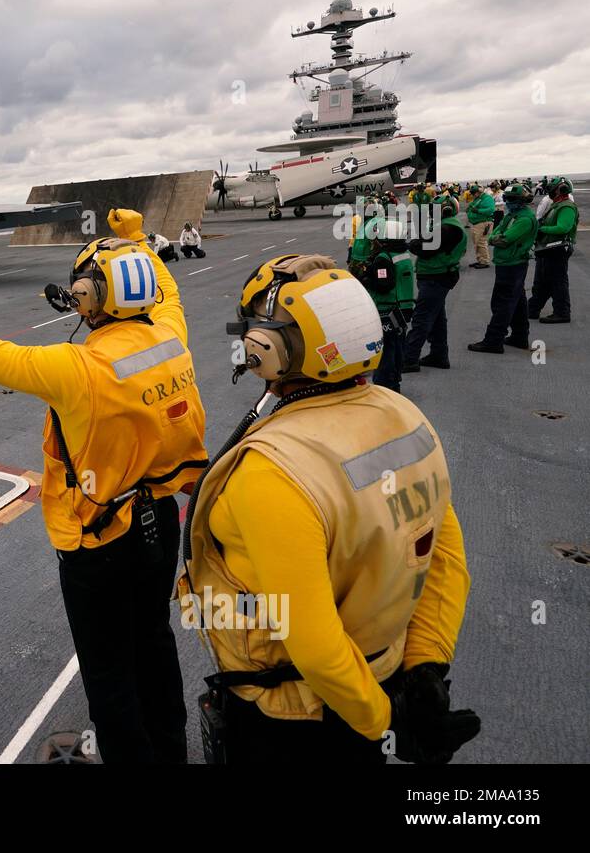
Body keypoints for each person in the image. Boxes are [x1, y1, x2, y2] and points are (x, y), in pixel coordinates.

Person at [0, 209, 209, 763]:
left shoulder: (74, 368)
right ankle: (170, 753)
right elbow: (168, 287)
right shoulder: (170, 334)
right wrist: (134, 240)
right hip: (162, 522)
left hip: (98, 541)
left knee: (107, 668)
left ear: (87, 296)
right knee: (154, 643)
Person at [182, 253, 479, 764]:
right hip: (380, 674)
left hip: (291, 714)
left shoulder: (272, 470)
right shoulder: (407, 417)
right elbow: (443, 559)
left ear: (268, 349)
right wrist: (425, 670)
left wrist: (382, 723)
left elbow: (314, 642)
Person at [349, 216, 415, 393]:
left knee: (385, 350)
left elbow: (383, 284)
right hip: (403, 307)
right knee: (397, 345)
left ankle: (384, 385)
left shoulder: (383, 258)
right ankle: (394, 382)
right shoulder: (401, 253)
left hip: (388, 309)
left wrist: (365, 277)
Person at [403, 195, 469, 372]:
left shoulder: (448, 228)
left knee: (422, 318)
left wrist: (410, 243)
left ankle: (409, 358)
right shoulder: (447, 225)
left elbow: (423, 248)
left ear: (445, 210)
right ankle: (439, 355)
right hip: (437, 276)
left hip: (436, 277)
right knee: (438, 318)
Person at [468, 183, 536, 354]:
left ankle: (493, 340)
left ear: (522, 201)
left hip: (512, 265)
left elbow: (505, 239)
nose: (508, 202)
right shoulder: (513, 215)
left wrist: (496, 238)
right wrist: (496, 237)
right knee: (518, 302)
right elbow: (496, 233)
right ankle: (520, 337)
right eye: (507, 199)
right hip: (509, 263)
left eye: (512, 199)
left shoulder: (524, 219)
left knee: (502, 303)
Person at [528, 176, 578, 324]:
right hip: (549, 249)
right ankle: (533, 308)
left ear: (561, 190)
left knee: (557, 282)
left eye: (552, 189)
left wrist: (542, 229)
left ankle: (562, 312)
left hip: (557, 249)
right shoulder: (557, 204)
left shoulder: (567, 206)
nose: (549, 192)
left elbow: (564, 227)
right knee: (543, 281)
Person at [465, 181, 496, 269]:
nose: (473, 195)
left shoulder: (487, 198)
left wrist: (478, 211)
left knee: (481, 242)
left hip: (483, 223)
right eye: (472, 193)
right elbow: (473, 205)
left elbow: (491, 209)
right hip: (477, 223)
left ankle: (484, 262)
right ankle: (480, 260)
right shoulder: (478, 199)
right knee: (477, 243)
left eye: (474, 193)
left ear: (479, 192)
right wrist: (469, 207)